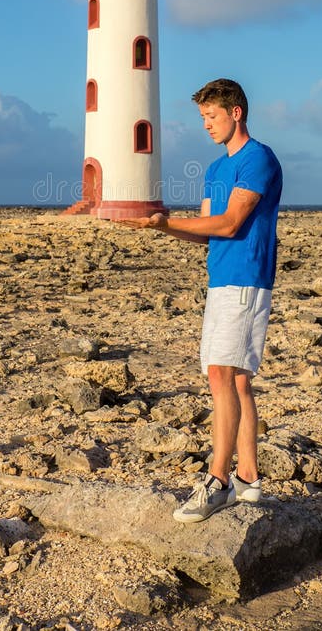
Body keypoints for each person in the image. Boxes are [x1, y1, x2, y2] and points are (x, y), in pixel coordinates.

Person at [118, 78, 282, 522]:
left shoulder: (258, 159)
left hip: (246, 279)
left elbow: (230, 224)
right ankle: (248, 477)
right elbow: (208, 229)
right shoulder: (214, 169)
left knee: (221, 376)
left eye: (211, 117)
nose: (206, 125)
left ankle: (218, 481)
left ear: (236, 113)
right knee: (239, 381)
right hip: (220, 281)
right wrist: (162, 226)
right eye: (202, 118)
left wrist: (163, 225)